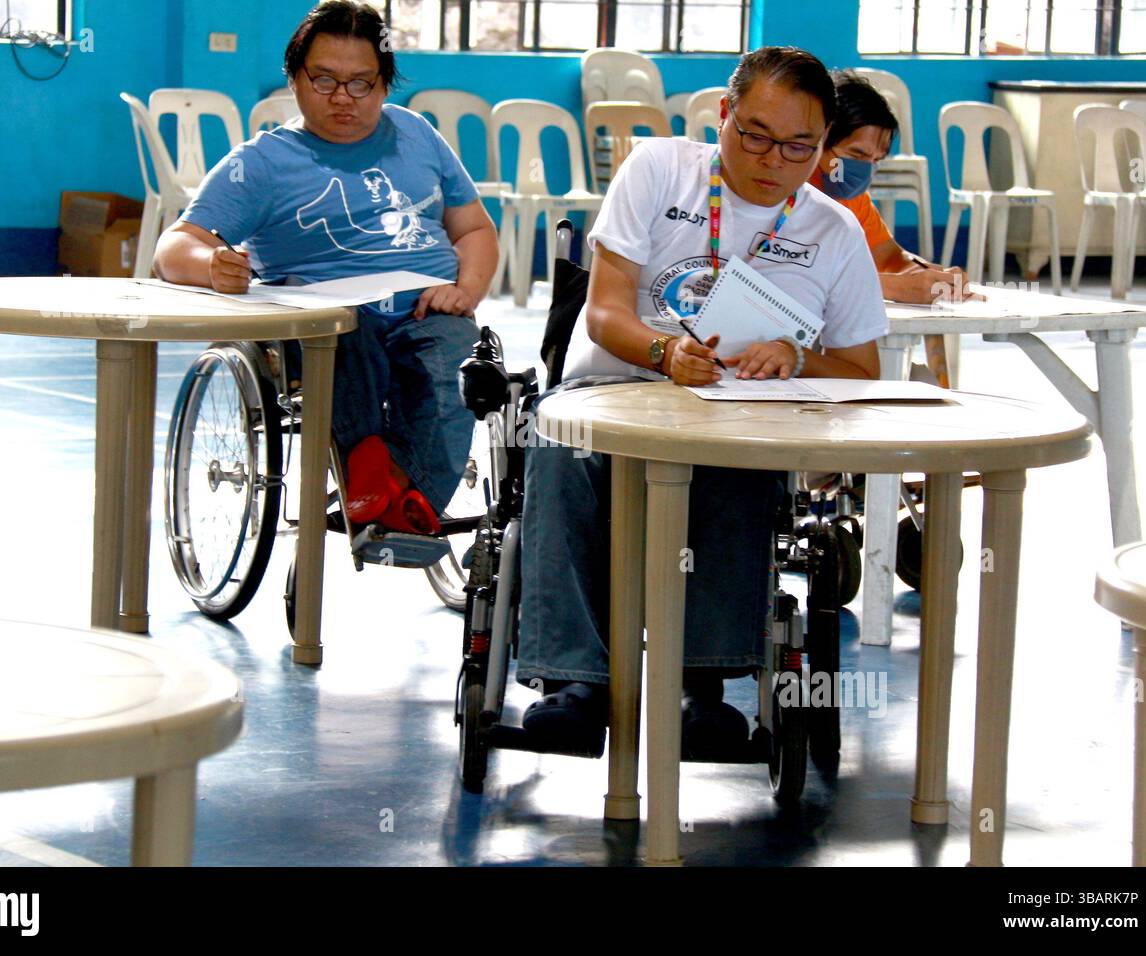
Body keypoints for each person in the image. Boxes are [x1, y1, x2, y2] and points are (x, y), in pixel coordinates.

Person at [517, 48, 888, 759]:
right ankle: (575, 682)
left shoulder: (833, 231)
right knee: (559, 451)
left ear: (823, 148)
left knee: (736, 469)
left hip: (739, 412)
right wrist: (662, 353)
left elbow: (863, 368)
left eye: (799, 147)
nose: (773, 159)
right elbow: (603, 312)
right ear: (723, 114)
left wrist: (797, 355)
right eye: (753, 133)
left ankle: (703, 687)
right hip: (616, 389)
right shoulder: (658, 171)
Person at [153, 1, 498, 534]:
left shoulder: (418, 135)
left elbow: (474, 229)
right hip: (327, 318)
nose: (343, 97)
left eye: (361, 83)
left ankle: (400, 504)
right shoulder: (262, 162)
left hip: (428, 309)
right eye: (324, 80)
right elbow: (173, 247)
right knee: (340, 339)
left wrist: (466, 290)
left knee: (452, 365)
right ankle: (378, 486)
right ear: (293, 79)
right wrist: (212, 264)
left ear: (385, 84)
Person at [810, 70, 974, 307]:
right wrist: (892, 287)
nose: (865, 169)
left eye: (876, 160)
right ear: (820, 138)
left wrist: (925, 272)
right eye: (857, 154)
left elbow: (890, 257)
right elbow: (787, 276)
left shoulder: (850, 197)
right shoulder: (784, 188)